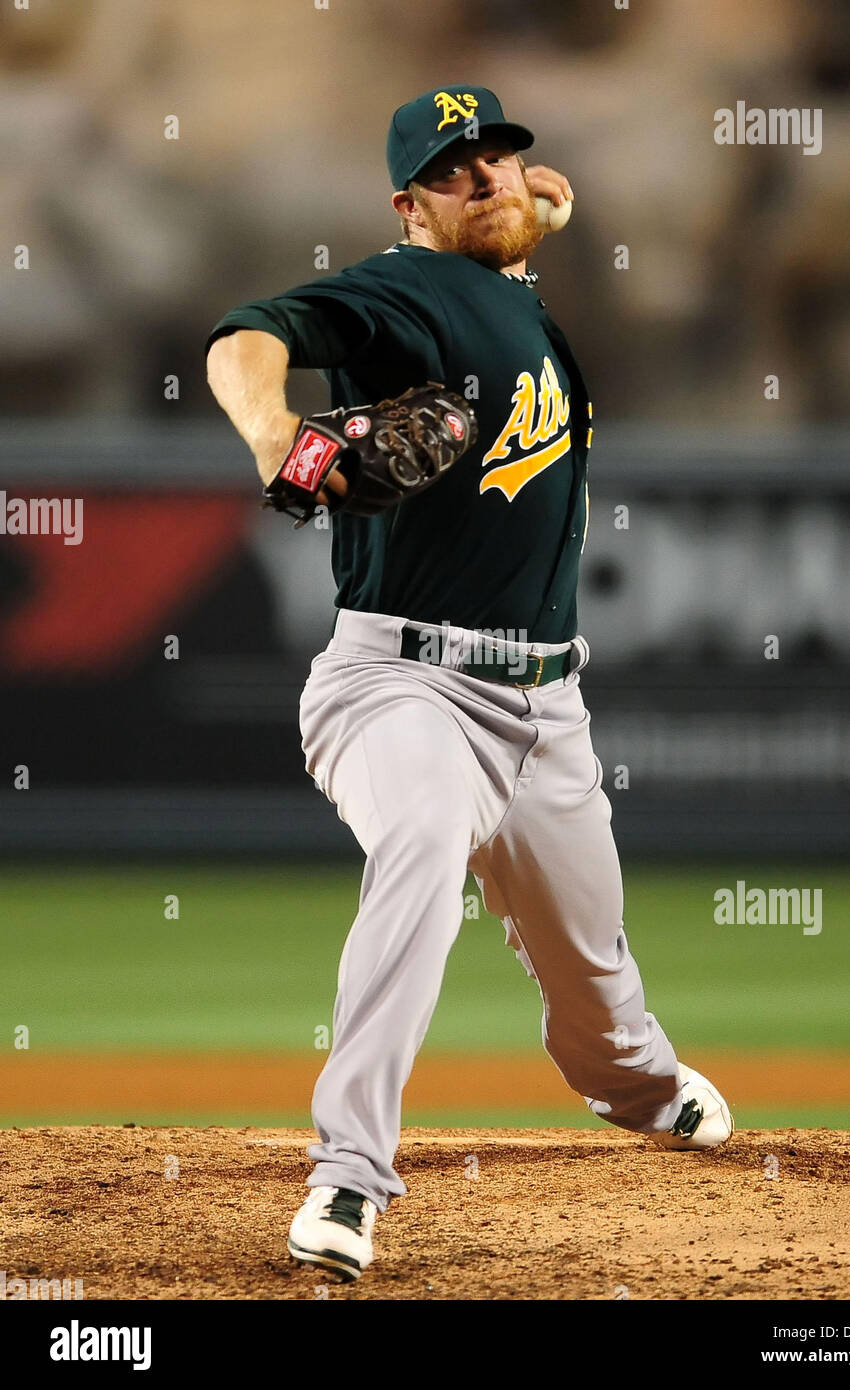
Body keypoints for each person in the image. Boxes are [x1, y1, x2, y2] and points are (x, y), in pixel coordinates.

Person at [206, 85, 732, 1284]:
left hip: (546, 707)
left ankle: (637, 1086)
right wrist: (273, 436)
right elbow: (245, 333)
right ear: (407, 205)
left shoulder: (506, 270)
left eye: (499, 154)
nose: (489, 175)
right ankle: (348, 1176)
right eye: (456, 168)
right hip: (404, 685)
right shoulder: (406, 290)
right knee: (425, 850)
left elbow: (528, 208)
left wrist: (535, 202)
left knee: (594, 980)